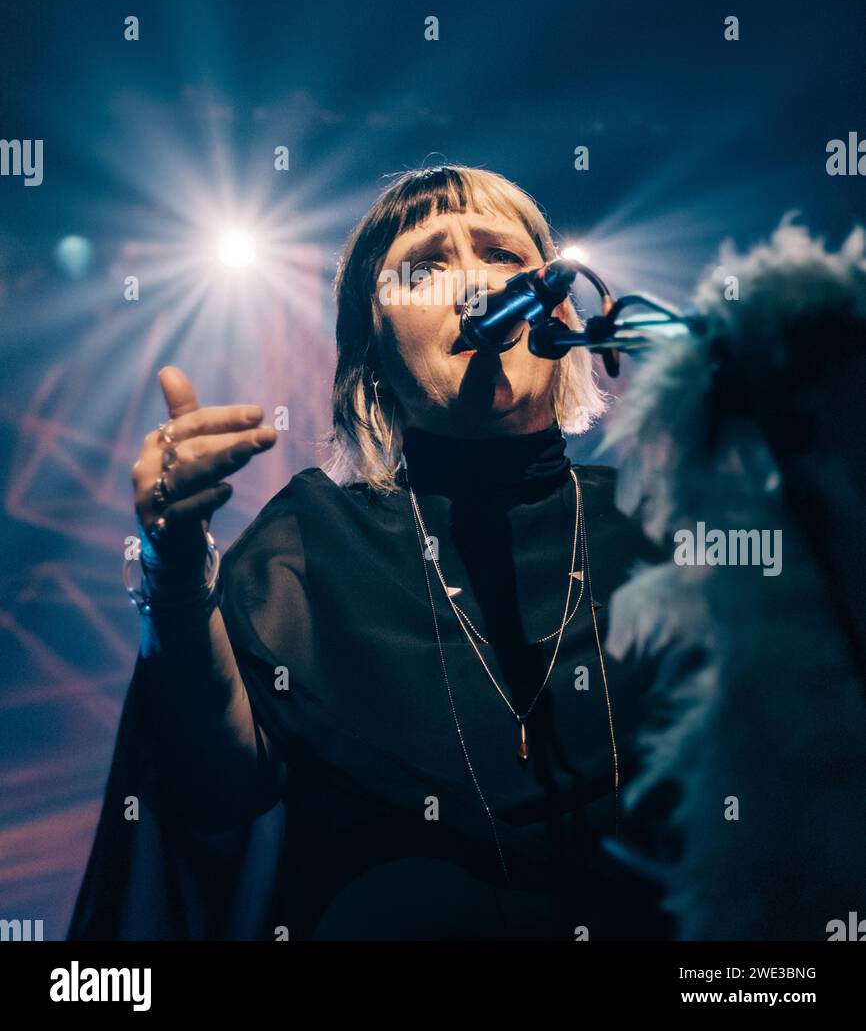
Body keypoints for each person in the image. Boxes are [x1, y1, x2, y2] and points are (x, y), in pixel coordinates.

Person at [68, 163, 675, 942]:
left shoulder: (658, 526)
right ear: (372, 354)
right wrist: (175, 566)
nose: (475, 287)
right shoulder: (313, 542)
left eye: (501, 256)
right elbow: (214, 785)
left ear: (559, 307)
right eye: (425, 267)